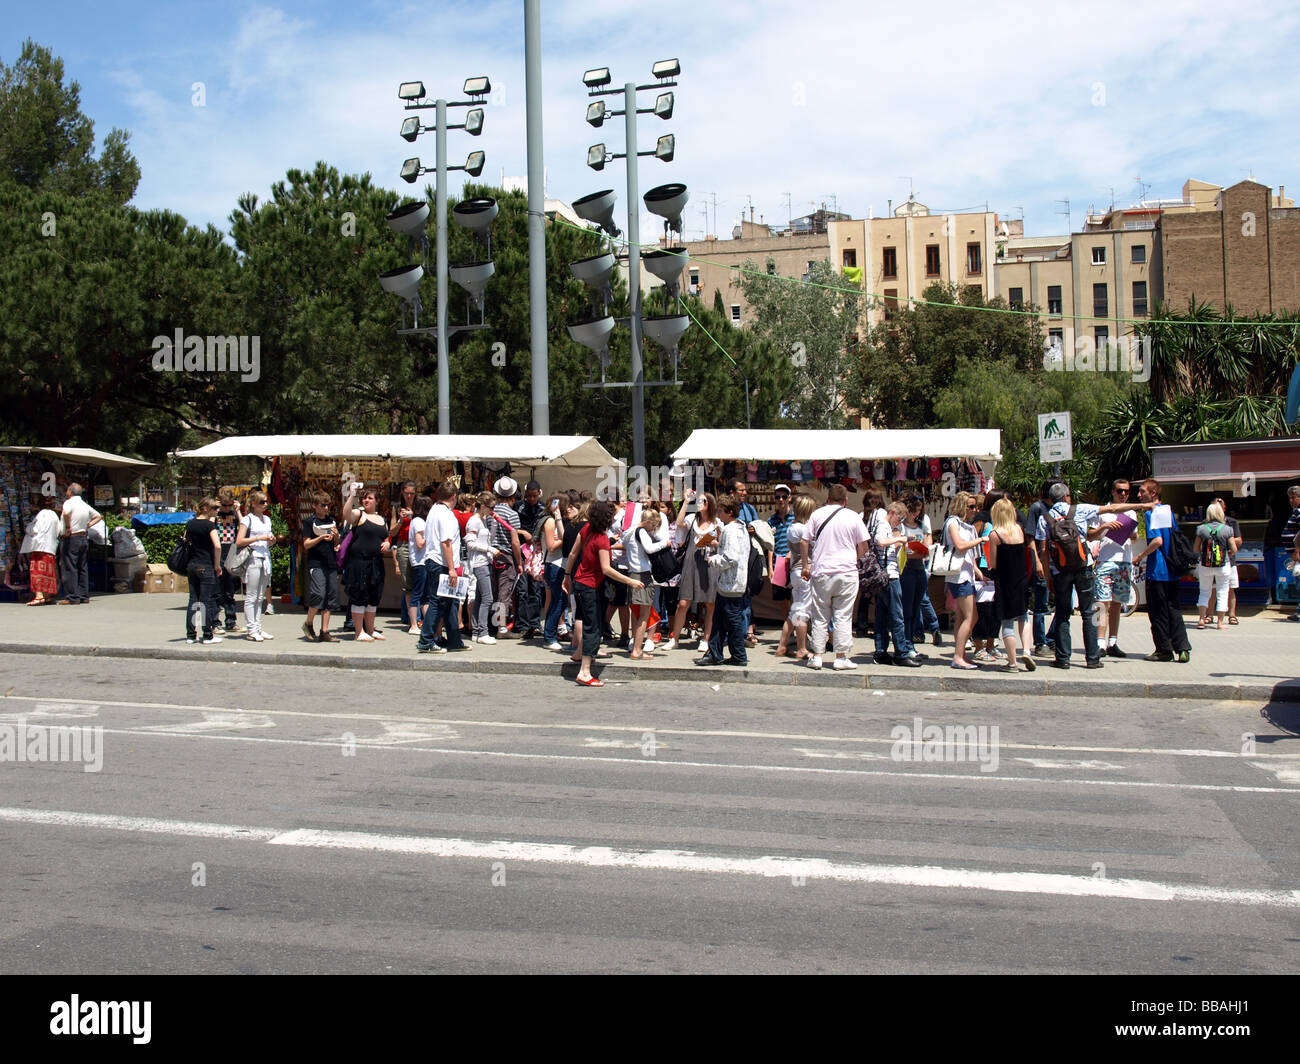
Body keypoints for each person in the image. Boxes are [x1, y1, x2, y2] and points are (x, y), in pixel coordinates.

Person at [562, 499, 644, 687]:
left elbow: (574, 554)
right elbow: (606, 569)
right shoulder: (601, 539)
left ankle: (578, 654)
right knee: (594, 627)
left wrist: (567, 575)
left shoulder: (586, 529)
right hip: (591, 586)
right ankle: (584, 671)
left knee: (582, 618)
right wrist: (630, 580)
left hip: (579, 582)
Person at [1034, 482, 1107, 670]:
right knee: (1089, 612)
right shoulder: (1080, 510)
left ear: (1051, 498)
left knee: (1063, 614)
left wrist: (1048, 576)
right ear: (1067, 495)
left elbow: (1044, 550)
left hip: (1060, 570)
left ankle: (1063, 658)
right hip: (1084, 567)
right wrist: (1143, 506)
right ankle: (1092, 659)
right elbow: (1111, 508)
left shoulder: (1045, 518)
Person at [801, 483, 870, 671]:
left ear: (828, 498)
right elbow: (864, 547)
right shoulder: (853, 516)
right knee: (843, 615)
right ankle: (841, 657)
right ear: (846, 500)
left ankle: (817, 656)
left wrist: (806, 565)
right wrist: (852, 559)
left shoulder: (817, 514)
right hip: (846, 572)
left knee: (820, 615)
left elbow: (804, 540)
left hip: (822, 571)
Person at [1131, 478, 1191, 662]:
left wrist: (1140, 557)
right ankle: (1182, 650)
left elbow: (1157, 541)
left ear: (1153, 493)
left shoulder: (1151, 513)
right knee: (1174, 610)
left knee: (1157, 612)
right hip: (1172, 571)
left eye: (1142, 491)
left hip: (1157, 571)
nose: (1139, 495)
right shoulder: (1168, 511)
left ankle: (1163, 650)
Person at [693, 494, 752, 666]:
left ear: (730, 512)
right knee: (719, 619)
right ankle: (716, 652)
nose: (718, 514)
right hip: (731, 583)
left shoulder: (731, 530)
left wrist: (714, 560)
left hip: (730, 583)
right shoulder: (739, 528)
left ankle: (738, 655)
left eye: (721, 511)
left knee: (731, 621)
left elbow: (731, 557)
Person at [987, 497, 1038, 672]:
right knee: (1024, 617)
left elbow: (993, 562)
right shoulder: (1019, 530)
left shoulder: (995, 534)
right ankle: (1026, 650)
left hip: (1004, 580)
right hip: (1021, 579)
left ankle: (1012, 662)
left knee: (1007, 622)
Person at [417, 482, 467, 654]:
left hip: (435, 560)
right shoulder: (445, 515)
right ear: (454, 497)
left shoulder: (434, 510)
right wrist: (452, 568)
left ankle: (454, 640)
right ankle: (426, 640)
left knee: (450, 601)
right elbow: (446, 542)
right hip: (441, 563)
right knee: (438, 602)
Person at [665, 493, 719, 651]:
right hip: (691, 563)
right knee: (683, 603)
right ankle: (674, 638)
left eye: (702, 501)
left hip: (709, 564)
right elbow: (679, 523)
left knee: (710, 603)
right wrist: (686, 502)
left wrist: (710, 541)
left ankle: (706, 639)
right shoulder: (693, 519)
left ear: (709, 503)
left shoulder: (717, 522)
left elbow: (723, 542)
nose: (699, 503)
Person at [339, 483, 391, 642]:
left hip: (376, 563)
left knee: (373, 597)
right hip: (359, 563)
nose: (366, 500)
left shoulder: (382, 519)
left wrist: (388, 543)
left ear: (376, 501)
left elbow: (386, 536)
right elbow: (346, 514)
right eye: (365, 498)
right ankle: (358, 631)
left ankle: (370, 629)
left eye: (370, 498)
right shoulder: (359, 515)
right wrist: (352, 495)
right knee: (359, 596)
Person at [944, 492, 989, 669]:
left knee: (963, 617)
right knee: (971, 617)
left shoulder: (964, 524)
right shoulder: (953, 522)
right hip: (958, 576)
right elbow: (960, 546)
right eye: (971, 507)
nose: (974, 510)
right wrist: (980, 539)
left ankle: (961, 654)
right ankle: (958, 656)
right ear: (961, 506)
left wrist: (978, 573)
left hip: (966, 574)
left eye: (975, 507)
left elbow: (968, 555)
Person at [1094, 478, 1139, 657]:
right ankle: (1099, 643)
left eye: (1126, 492)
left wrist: (1132, 532)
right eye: (1120, 491)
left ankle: (1113, 642)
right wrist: (1105, 527)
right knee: (1102, 603)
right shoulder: (1103, 511)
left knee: (1117, 603)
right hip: (1106, 559)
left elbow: (1134, 537)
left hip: (1124, 561)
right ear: (1113, 492)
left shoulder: (1132, 513)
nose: (1123, 495)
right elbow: (1091, 535)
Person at [874, 501, 921, 667]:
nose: (899, 523)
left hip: (886, 575)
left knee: (883, 615)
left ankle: (881, 652)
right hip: (890, 576)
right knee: (897, 615)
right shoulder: (883, 525)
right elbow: (880, 542)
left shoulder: (884, 525)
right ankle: (901, 653)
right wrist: (900, 538)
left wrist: (899, 542)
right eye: (899, 519)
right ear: (892, 512)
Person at [622, 506, 670, 659]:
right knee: (644, 614)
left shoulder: (630, 531)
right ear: (648, 521)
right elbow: (649, 549)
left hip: (632, 573)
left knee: (636, 613)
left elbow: (624, 543)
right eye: (653, 525)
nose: (653, 529)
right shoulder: (641, 531)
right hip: (642, 574)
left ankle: (634, 645)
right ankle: (637, 650)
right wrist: (665, 543)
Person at [236, 491, 280, 641]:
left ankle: (258, 628)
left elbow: (269, 539)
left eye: (266, 501)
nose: (265, 504)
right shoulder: (247, 520)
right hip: (253, 557)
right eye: (262, 502)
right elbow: (239, 541)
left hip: (265, 557)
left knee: (261, 595)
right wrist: (259, 537)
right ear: (253, 504)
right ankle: (251, 629)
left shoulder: (267, 519)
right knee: (252, 595)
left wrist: (271, 540)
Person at [488, 477, 528, 637]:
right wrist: (519, 562)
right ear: (512, 497)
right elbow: (515, 542)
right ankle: (501, 628)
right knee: (504, 592)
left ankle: (492, 625)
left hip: (491, 555)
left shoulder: (490, 513)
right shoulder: (512, 515)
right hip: (506, 557)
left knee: (493, 591)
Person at [780, 494, 817, 660]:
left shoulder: (792, 527)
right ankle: (802, 648)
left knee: (794, 610)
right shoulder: (804, 529)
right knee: (803, 611)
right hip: (804, 571)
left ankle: (782, 645)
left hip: (795, 571)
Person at [182, 497, 223, 644]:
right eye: (214, 508)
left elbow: (185, 542)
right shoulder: (209, 526)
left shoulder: (190, 524)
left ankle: (191, 635)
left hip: (192, 565)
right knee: (206, 601)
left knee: (193, 600)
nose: (217, 511)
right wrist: (217, 564)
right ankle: (207, 635)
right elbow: (217, 546)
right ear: (205, 508)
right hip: (205, 565)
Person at [302, 490, 341, 642]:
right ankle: (309, 623)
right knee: (318, 593)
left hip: (330, 562)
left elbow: (336, 544)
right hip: (316, 562)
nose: (326, 508)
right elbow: (306, 544)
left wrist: (337, 537)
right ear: (314, 506)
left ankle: (325, 631)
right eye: (323, 505)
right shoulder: (309, 522)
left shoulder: (331, 520)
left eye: (327, 505)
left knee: (331, 596)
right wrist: (320, 538)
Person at [900, 494, 937, 651]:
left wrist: (922, 551)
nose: (915, 512)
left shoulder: (922, 525)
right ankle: (906, 643)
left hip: (920, 569)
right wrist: (917, 553)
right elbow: (902, 551)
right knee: (907, 609)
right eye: (913, 509)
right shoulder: (901, 527)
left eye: (918, 509)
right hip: (907, 569)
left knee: (916, 608)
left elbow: (928, 545)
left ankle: (912, 643)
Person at [1025, 480, 1057, 656]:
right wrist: (1036, 560)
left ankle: (1052, 637)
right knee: (1041, 604)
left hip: (1058, 562)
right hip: (1043, 561)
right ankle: (1040, 642)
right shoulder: (1037, 508)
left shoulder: (1062, 508)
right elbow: (1030, 537)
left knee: (1062, 604)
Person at [464, 492, 500, 644]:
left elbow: (488, 538)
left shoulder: (483, 519)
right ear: (483, 506)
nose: (493, 510)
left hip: (484, 561)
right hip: (479, 563)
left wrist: (494, 522)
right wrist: (489, 550)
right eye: (491, 507)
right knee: (487, 597)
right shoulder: (474, 521)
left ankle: (477, 631)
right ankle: (483, 632)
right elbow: (470, 543)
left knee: (479, 597)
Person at [1194, 501, 1236, 630]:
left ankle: (1201, 619)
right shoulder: (1227, 529)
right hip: (1223, 565)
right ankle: (1220, 623)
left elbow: (1196, 549)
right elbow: (1234, 549)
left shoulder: (1201, 529)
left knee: (1204, 592)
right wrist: (1226, 554)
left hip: (1205, 565)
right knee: (1222, 592)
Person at [58, 482, 102, 604]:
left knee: (69, 567)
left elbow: (66, 513)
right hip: (82, 537)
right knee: (82, 566)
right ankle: (83, 595)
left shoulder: (69, 503)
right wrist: (87, 526)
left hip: (71, 538)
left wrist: (67, 527)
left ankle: (72, 596)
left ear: (70, 492)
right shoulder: (84, 505)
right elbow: (98, 516)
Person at [514, 480, 546, 639]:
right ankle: (522, 624)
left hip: (536, 553)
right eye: (528, 496)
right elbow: (511, 526)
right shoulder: (519, 506)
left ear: (539, 493)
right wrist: (522, 532)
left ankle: (535, 623)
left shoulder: (543, 508)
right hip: (521, 551)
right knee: (522, 590)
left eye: (534, 496)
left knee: (536, 589)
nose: (531, 499)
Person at [537, 493, 569, 650]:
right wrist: (566, 539)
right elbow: (550, 545)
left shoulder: (555, 521)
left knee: (560, 601)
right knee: (558, 601)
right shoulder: (550, 521)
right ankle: (549, 637)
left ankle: (550, 634)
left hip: (558, 565)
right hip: (553, 564)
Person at [767, 485, 797, 655]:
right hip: (779, 562)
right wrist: (770, 566)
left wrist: (792, 553)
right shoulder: (772, 520)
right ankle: (790, 632)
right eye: (777, 497)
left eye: (783, 496)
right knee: (784, 600)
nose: (780, 500)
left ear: (789, 498)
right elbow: (770, 544)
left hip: (795, 562)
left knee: (798, 598)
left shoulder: (796, 518)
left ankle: (800, 631)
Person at [20, 495, 60, 606]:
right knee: (48, 571)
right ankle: (47, 595)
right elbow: (59, 530)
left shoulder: (41, 515)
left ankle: (39, 596)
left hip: (40, 547)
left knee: (37, 571)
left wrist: (28, 528)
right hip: (50, 547)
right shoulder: (54, 516)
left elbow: (35, 529)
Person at [389, 481, 418, 624]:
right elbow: (392, 531)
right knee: (408, 583)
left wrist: (413, 515)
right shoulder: (396, 507)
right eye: (407, 493)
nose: (409, 496)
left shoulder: (420, 506)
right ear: (402, 493)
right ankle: (412, 619)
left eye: (412, 493)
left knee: (420, 580)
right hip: (404, 544)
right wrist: (401, 520)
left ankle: (419, 618)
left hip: (419, 545)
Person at [1211, 497, 1243, 625]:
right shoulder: (1206, 524)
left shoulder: (1232, 522)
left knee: (1231, 588)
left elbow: (1239, 540)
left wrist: (1224, 539)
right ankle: (1209, 615)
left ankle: (1232, 615)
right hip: (1212, 562)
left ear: (1224, 508)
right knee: (1212, 588)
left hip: (1229, 561)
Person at [214, 488, 243, 632]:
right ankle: (215, 622)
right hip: (217, 554)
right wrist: (215, 508)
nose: (226, 508)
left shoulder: (233, 514)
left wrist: (238, 510)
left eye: (229, 505)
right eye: (224, 505)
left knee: (230, 591)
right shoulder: (215, 515)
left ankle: (231, 621)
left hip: (231, 553)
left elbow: (244, 526)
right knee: (217, 590)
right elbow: (209, 524)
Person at [405, 495, 433, 634]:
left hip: (424, 561)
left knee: (426, 595)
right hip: (419, 562)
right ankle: (414, 625)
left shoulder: (419, 521)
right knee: (417, 593)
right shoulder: (419, 522)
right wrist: (431, 535)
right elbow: (420, 543)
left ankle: (426, 624)